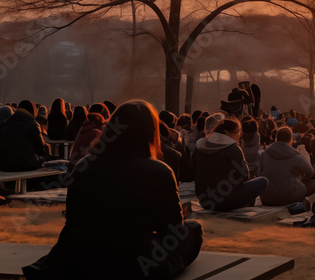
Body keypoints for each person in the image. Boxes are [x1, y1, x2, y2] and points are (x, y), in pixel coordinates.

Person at [22, 101, 202, 280]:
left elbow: (73, 219)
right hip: (132, 260)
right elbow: (172, 230)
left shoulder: (83, 165)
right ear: (151, 132)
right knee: (193, 231)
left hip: (80, 256)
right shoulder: (160, 171)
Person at [193, 118, 267, 211]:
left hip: (204, 201)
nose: (240, 134)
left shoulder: (200, 145)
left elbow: (193, 170)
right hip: (226, 201)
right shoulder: (233, 148)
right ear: (226, 133)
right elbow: (244, 175)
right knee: (263, 181)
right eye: (238, 131)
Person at [259, 127, 315, 207]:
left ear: (276, 139)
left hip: (266, 198)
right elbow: (310, 173)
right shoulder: (296, 156)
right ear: (291, 140)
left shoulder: (264, 154)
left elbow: (259, 173)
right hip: (287, 198)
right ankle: (305, 207)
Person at [0, 100, 50, 171]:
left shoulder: (7, 122)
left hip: (6, 162)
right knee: (45, 156)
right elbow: (40, 149)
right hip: (26, 164)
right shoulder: (34, 124)